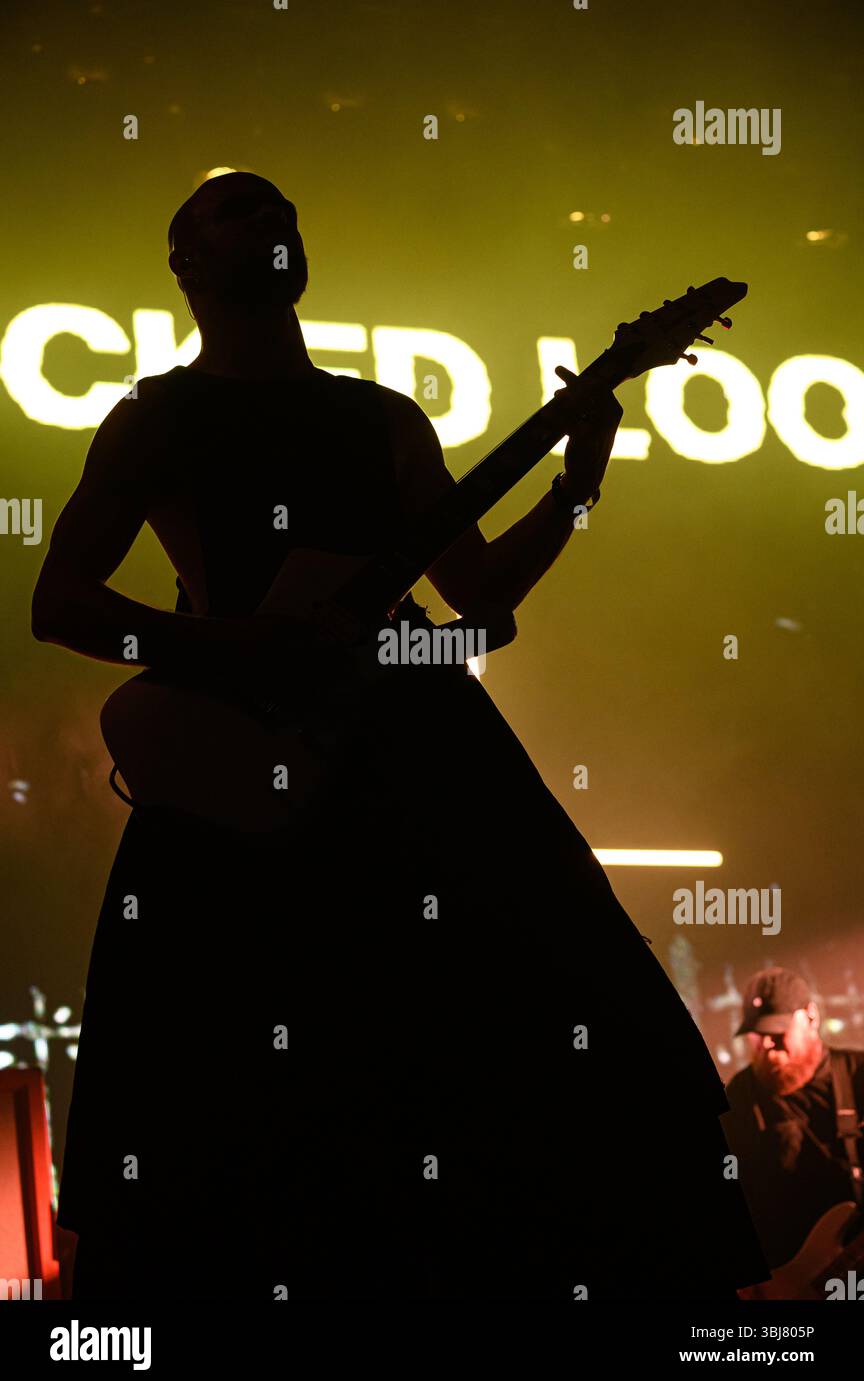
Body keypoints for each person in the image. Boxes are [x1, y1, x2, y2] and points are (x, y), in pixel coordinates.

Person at [33, 170, 767, 1299]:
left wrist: (580, 479)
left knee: (576, 1008)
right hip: (249, 771)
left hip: (416, 751)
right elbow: (63, 602)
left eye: (283, 209)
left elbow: (477, 608)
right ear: (184, 264)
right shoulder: (155, 418)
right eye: (241, 211)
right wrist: (232, 648)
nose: (272, 220)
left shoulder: (381, 417)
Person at [723, 967, 864, 1274]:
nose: (768, 1048)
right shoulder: (738, 1098)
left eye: (776, 1032)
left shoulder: (858, 1076)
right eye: (756, 1036)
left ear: (811, 1017)